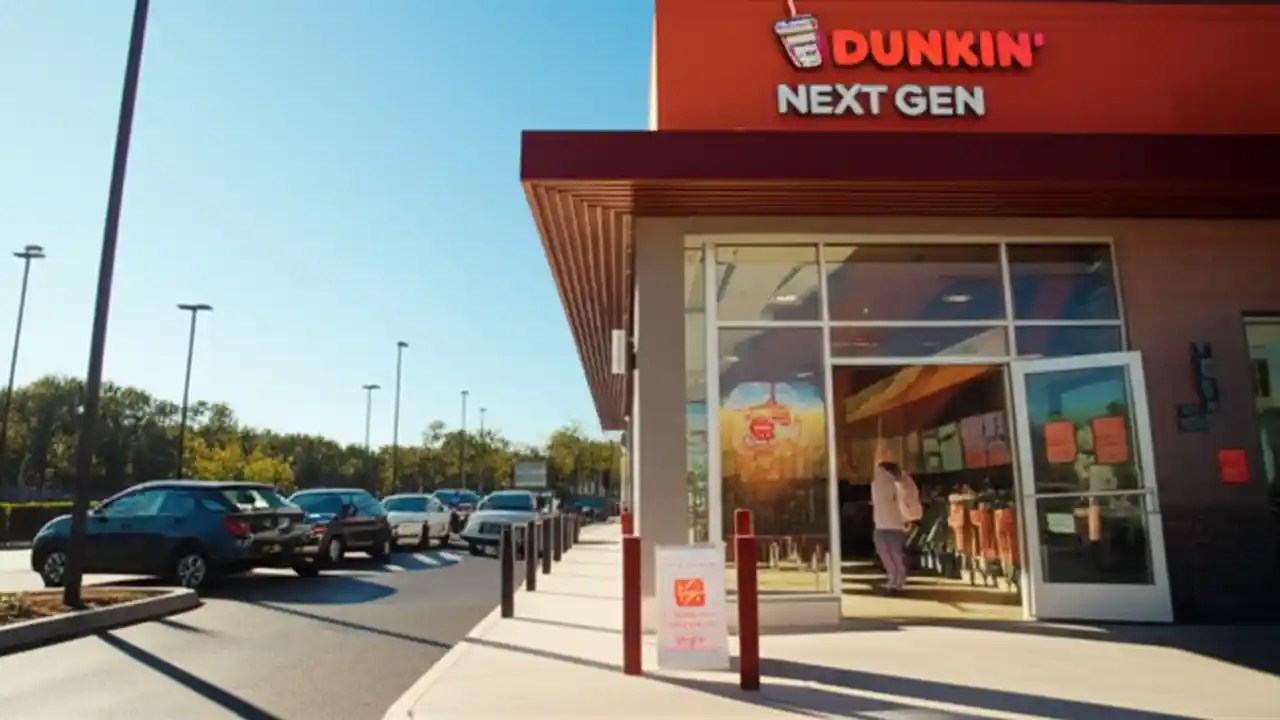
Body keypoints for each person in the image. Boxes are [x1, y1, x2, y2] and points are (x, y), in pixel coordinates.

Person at [870, 461, 916, 593]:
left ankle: (897, 578)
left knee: (892, 553)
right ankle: (894, 576)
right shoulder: (878, 485)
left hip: (891, 524)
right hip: (884, 524)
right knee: (886, 552)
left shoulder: (896, 485)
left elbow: (904, 500)